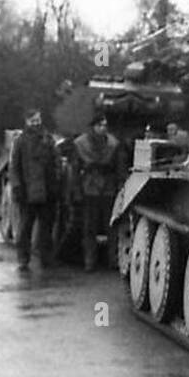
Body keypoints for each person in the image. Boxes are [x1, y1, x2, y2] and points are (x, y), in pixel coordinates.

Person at [71, 113, 124, 272]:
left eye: (105, 126)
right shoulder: (80, 144)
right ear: (93, 127)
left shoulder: (113, 144)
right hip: (89, 187)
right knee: (89, 227)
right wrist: (76, 191)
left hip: (108, 188)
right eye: (100, 125)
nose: (103, 128)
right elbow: (75, 169)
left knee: (111, 227)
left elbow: (120, 168)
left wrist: (120, 187)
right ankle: (89, 261)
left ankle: (113, 259)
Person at [10, 108, 61, 273]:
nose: (36, 123)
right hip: (27, 192)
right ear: (27, 122)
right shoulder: (20, 141)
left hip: (46, 191)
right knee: (25, 228)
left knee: (46, 228)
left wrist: (56, 183)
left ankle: (46, 258)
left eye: (38, 120)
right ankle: (23, 259)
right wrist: (17, 187)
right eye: (33, 120)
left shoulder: (48, 139)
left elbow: (56, 162)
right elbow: (14, 167)